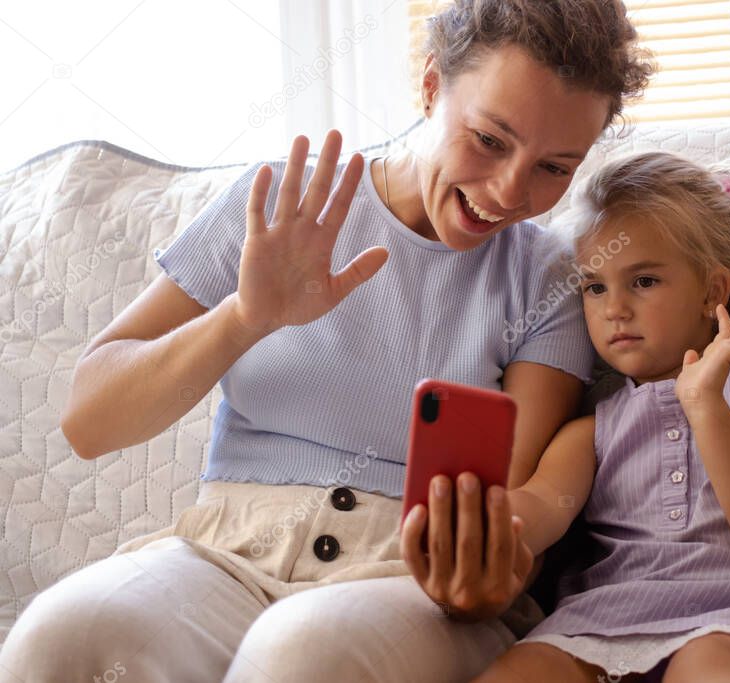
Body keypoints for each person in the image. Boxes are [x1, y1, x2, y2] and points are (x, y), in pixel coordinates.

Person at [0, 2, 655, 682]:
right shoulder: (282, 210)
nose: (510, 190)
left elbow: (509, 510)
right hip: (227, 553)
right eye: (490, 139)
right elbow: (89, 419)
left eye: (554, 167)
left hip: (405, 581)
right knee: (57, 637)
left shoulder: (547, 278)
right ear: (431, 84)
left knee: (303, 654)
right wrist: (244, 317)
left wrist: (484, 579)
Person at [464, 150, 730, 683]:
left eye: (643, 282)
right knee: (521, 671)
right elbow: (536, 508)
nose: (614, 308)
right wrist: (482, 521)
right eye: (595, 286)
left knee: (716, 669)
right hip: (605, 621)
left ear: (712, 292)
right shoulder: (593, 430)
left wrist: (704, 405)